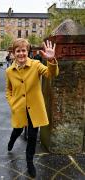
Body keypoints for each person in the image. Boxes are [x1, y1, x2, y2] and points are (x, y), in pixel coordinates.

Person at [5, 38, 59, 178]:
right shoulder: (9, 71)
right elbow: (8, 90)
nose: (21, 54)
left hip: (34, 108)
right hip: (19, 108)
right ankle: (11, 141)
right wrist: (12, 103)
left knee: (33, 136)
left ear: (28, 51)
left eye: (24, 50)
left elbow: (50, 73)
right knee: (17, 130)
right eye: (18, 51)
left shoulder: (35, 64)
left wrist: (51, 60)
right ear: (14, 52)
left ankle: (29, 162)